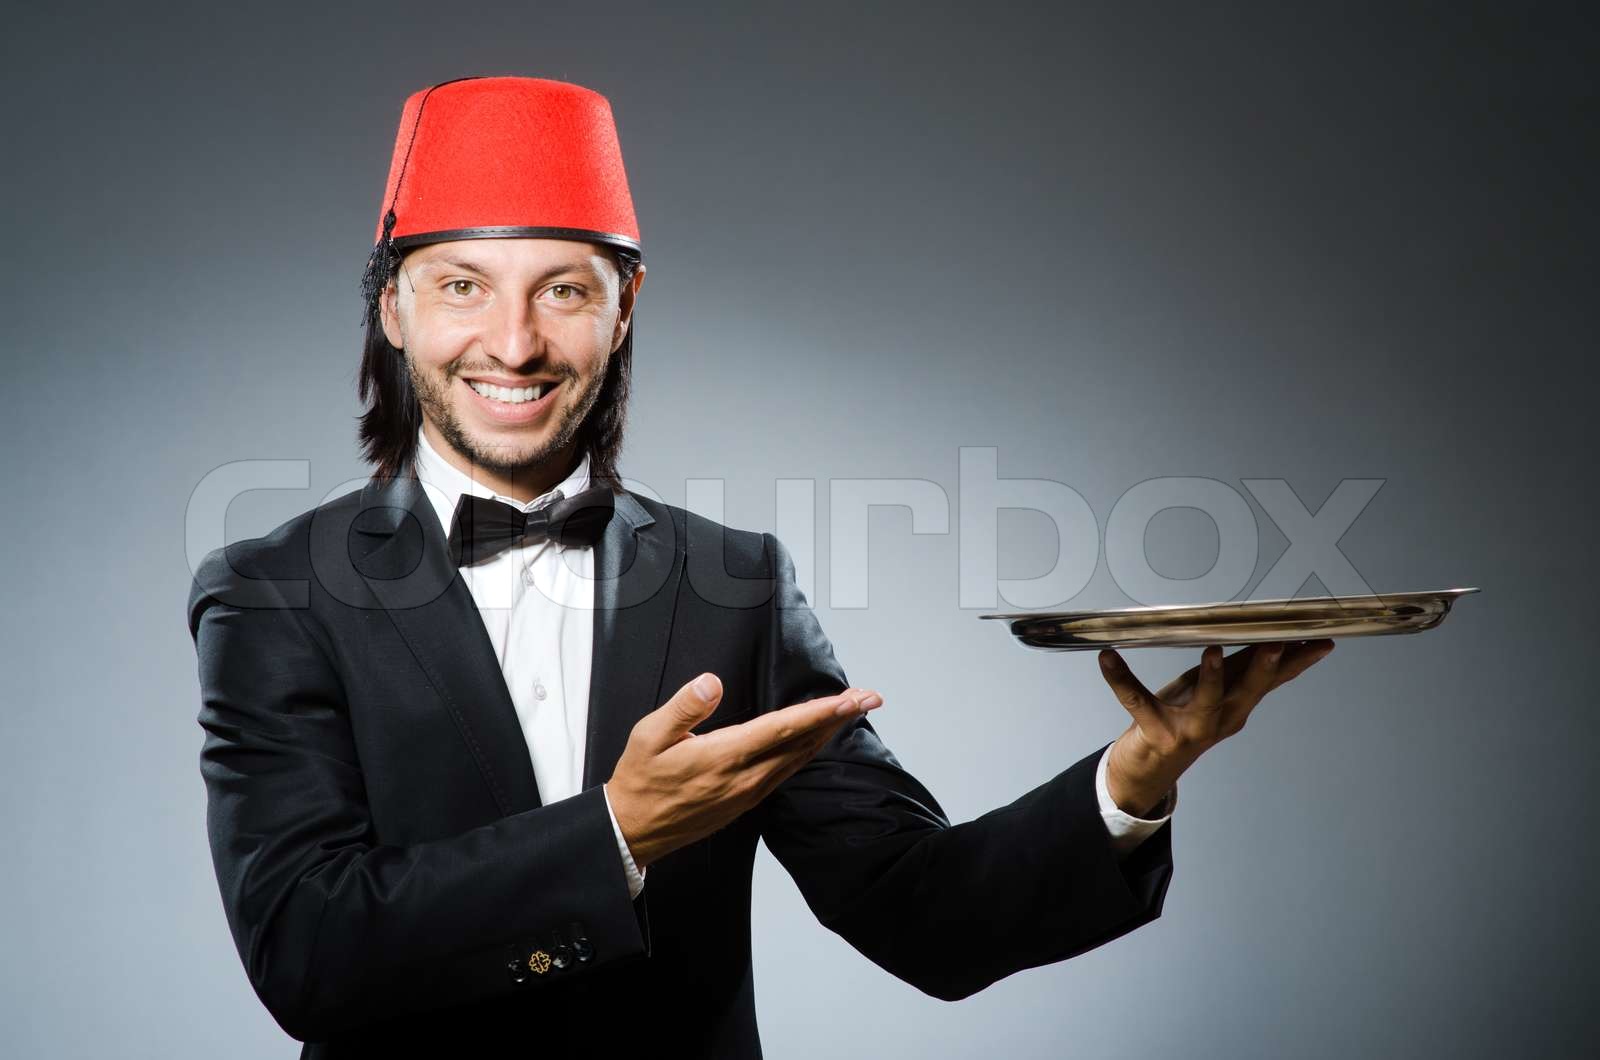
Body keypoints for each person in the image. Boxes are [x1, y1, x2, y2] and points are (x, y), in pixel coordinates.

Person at [187, 75, 1334, 1057]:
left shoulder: (730, 584)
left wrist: (1129, 784)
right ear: (392, 307)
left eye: (565, 289)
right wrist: (617, 833)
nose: (516, 340)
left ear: (625, 307)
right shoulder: (272, 592)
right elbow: (306, 949)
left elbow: (921, 914)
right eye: (462, 285)